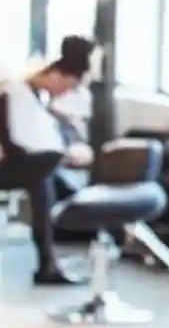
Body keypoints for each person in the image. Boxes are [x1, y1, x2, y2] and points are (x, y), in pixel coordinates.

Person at [0, 35, 99, 285]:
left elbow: (31, 139)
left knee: (44, 177)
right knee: (45, 171)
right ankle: (90, 218)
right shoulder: (13, 91)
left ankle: (48, 263)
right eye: (67, 86)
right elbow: (16, 140)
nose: (65, 93)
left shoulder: (33, 96)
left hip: (17, 160)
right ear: (55, 76)